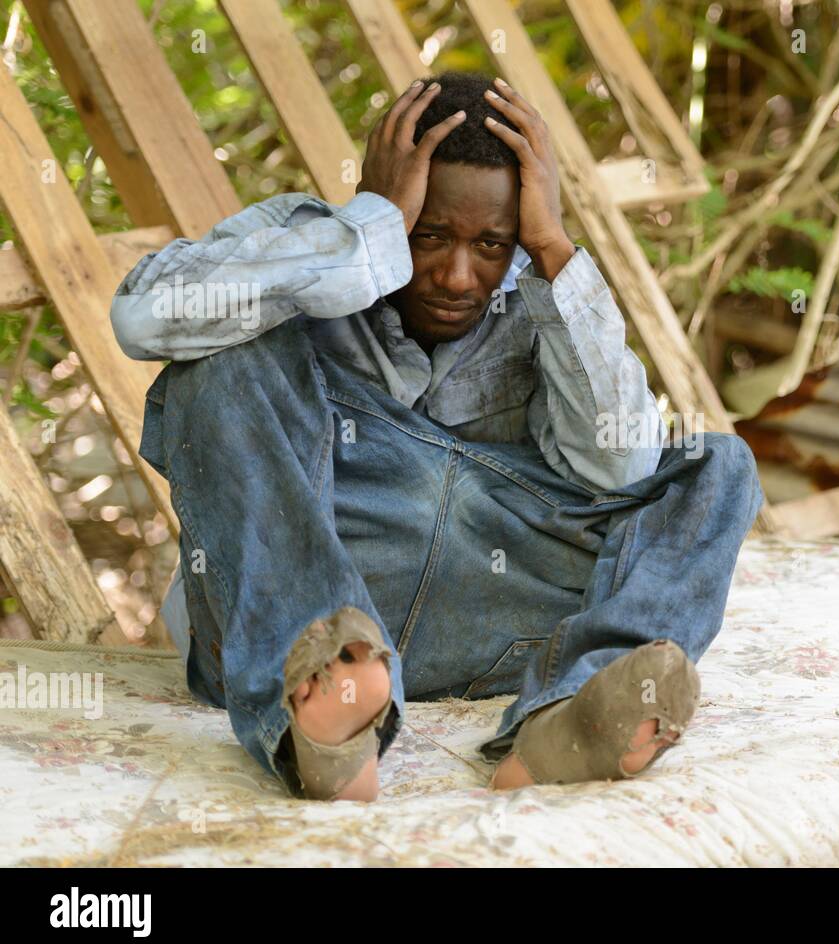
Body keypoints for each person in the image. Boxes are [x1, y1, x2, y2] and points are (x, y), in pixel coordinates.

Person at [110, 70, 762, 802]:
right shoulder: (304, 243)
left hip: (490, 620)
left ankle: (567, 716)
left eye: (491, 242)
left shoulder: (537, 292)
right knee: (219, 357)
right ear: (387, 197)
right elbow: (142, 318)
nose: (458, 275)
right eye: (429, 235)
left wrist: (550, 248)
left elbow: (623, 465)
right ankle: (323, 705)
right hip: (303, 605)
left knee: (717, 466)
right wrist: (369, 230)